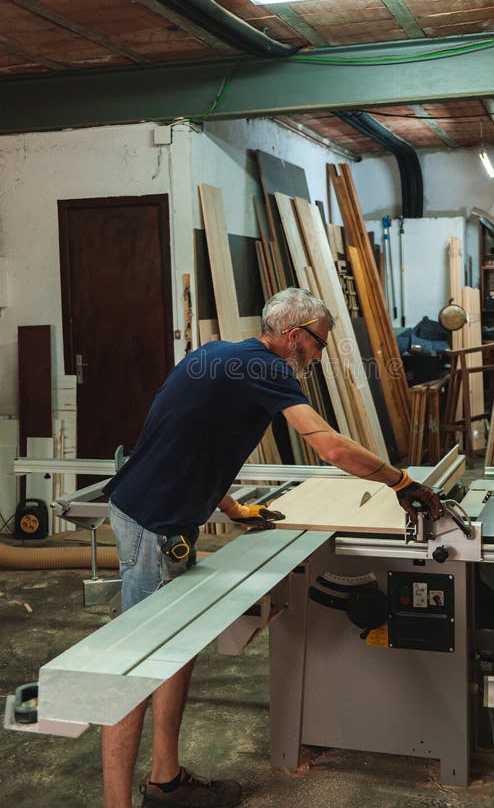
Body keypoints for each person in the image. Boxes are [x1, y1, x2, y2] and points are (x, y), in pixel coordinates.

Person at [102, 287, 443, 808]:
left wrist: (235, 509)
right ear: (292, 336)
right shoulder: (271, 368)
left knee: (174, 651)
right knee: (137, 668)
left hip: (163, 518)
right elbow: (328, 444)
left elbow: (197, 442)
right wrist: (402, 484)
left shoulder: (217, 355)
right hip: (152, 524)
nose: (320, 355)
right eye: (319, 344)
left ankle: (165, 782)